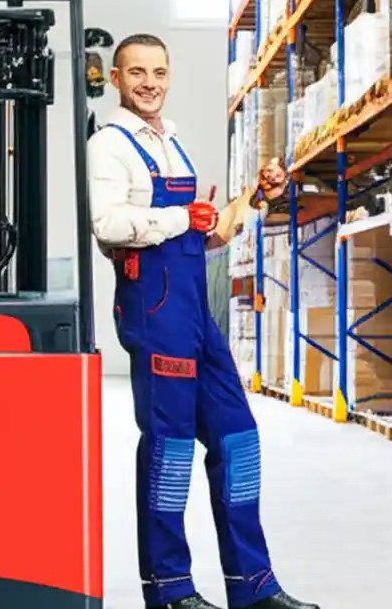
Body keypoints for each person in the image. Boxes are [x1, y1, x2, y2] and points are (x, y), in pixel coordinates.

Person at [86, 33, 317, 609]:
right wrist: (177, 216)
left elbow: (210, 231)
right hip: (155, 308)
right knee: (169, 450)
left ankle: (253, 586)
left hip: (195, 313)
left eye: (159, 72)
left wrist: (257, 199)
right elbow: (108, 224)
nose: (150, 83)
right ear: (116, 79)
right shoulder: (110, 145)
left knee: (238, 439)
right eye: (137, 72)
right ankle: (170, 590)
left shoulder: (174, 142)